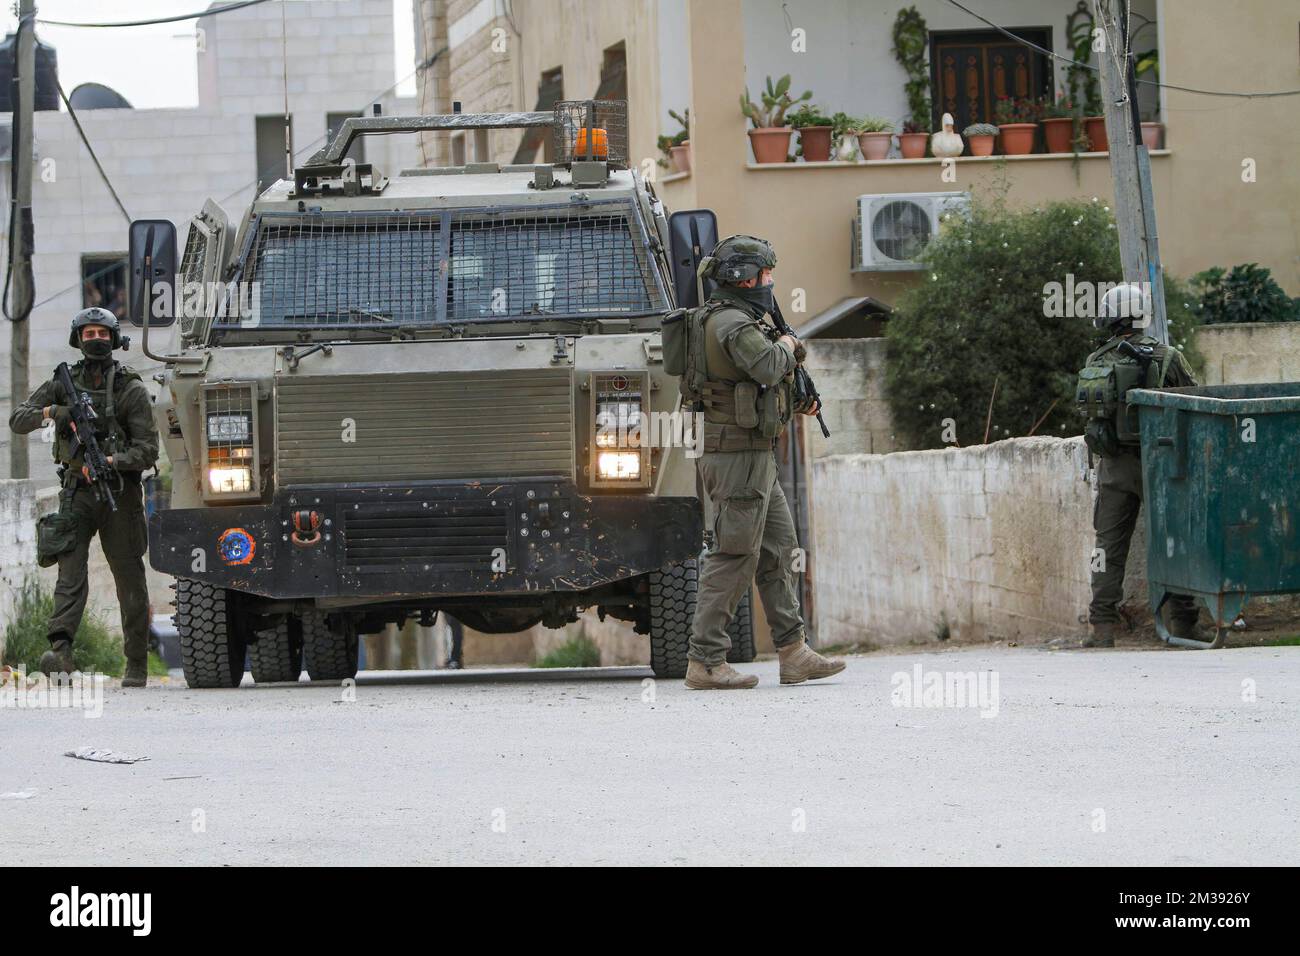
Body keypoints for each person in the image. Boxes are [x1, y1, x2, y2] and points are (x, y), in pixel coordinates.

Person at [683, 235, 845, 689]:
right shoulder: (730, 323)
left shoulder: (741, 318)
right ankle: (706, 661)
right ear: (741, 277)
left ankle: (793, 652)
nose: (770, 281)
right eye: (764, 273)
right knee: (734, 553)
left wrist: (797, 397)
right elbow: (770, 366)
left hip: (753, 452)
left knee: (778, 549)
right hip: (735, 455)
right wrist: (791, 344)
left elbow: (758, 388)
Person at [8, 307, 159, 685]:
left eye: (102, 333)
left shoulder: (130, 388)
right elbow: (18, 419)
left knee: (129, 580)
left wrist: (111, 460)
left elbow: (148, 451)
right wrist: (55, 411)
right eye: (88, 333)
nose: (95, 339)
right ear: (79, 339)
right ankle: (60, 653)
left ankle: (137, 662)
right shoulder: (64, 382)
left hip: (119, 495)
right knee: (70, 576)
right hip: (76, 492)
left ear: (112, 339)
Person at [1081, 283, 1199, 647]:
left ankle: (1102, 629)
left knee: (1108, 548)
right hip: (1162, 464)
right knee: (1175, 542)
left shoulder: (1096, 361)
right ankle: (1184, 625)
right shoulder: (1168, 356)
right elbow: (1196, 401)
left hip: (1115, 467)